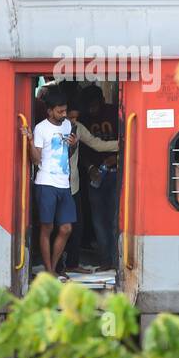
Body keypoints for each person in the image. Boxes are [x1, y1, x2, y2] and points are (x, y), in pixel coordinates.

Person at [22, 92, 78, 278]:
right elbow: (36, 160)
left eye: (65, 111)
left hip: (64, 184)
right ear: (49, 111)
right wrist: (30, 141)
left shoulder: (68, 125)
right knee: (47, 227)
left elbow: (67, 154)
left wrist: (73, 145)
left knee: (66, 228)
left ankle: (53, 268)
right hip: (46, 183)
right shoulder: (40, 129)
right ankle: (49, 270)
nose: (64, 114)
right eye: (59, 111)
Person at [62, 102, 120, 272]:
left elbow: (96, 144)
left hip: (73, 184)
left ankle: (72, 264)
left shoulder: (77, 128)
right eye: (69, 116)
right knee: (55, 227)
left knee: (78, 226)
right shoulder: (46, 129)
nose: (73, 120)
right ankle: (56, 268)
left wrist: (123, 142)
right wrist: (90, 167)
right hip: (53, 183)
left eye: (75, 117)